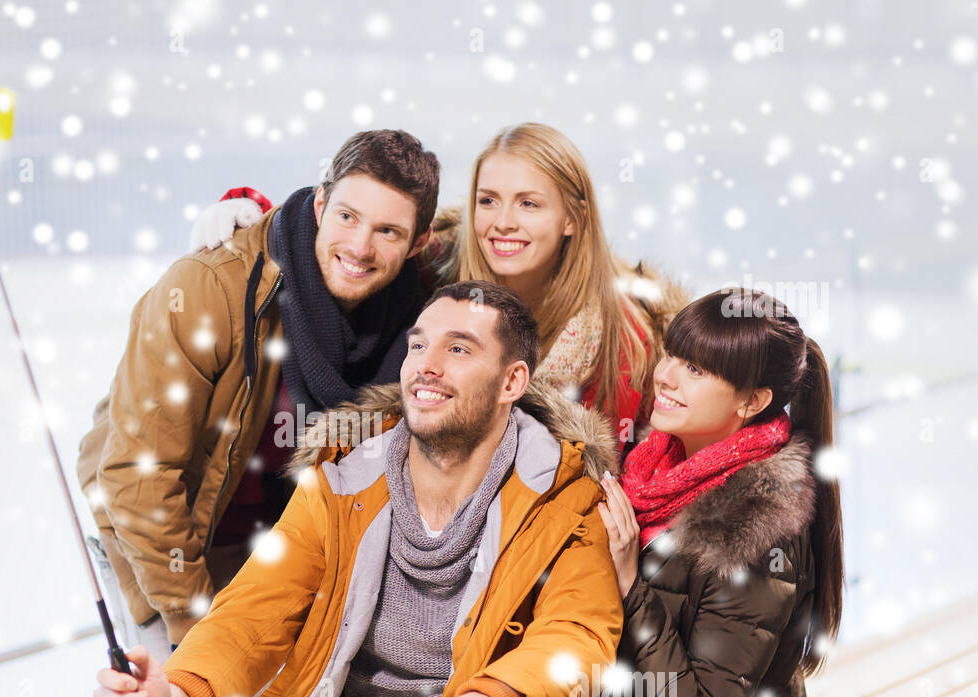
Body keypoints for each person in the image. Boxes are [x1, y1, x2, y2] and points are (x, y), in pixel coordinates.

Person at [93, 281, 625, 697]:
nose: (426, 366)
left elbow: (579, 639)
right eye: (419, 345)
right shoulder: (340, 486)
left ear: (512, 382)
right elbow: (250, 614)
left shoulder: (563, 495)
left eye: (458, 349)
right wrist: (180, 696)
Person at [76, 129, 441, 697]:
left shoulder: (408, 318)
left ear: (418, 242)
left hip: (288, 556)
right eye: (347, 217)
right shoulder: (208, 290)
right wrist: (195, 630)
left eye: (388, 231)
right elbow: (135, 478)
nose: (361, 246)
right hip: (172, 552)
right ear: (321, 202)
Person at [190, 122, 689, 456]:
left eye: (529, 204)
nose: (503, 223)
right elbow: (343, 236)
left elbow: (639, 467)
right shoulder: (431, 270)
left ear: (573, 219)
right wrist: (251, 217)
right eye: (488, 200)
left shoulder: (626, 341)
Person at [596, 288, 843, 697]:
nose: (667, 377)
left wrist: (632, 584)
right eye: (673, 355)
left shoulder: (759, 531)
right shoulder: (652, 470)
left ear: (752, 400)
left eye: (698, 368)